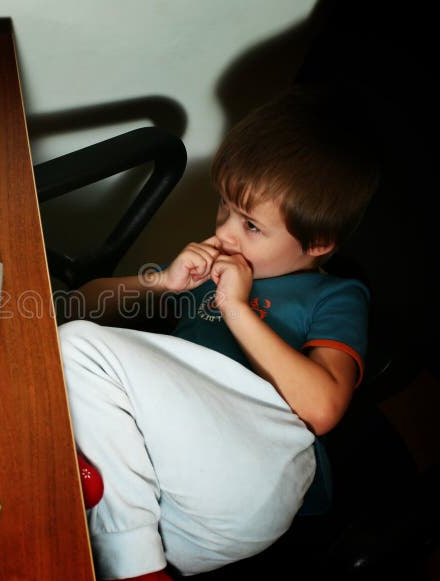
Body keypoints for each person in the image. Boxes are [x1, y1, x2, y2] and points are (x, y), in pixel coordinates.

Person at [58, 85, 381, 580]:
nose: (226, 233)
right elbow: (80, 305)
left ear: (318, 242)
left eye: (251, 225)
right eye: (224, 208)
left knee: (76, 348)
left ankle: (133, 564)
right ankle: (128, 552)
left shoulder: (335, 296)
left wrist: (235, 307)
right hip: (177, 509)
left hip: (254, 470)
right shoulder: (211, 270)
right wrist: (160, 282)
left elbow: (321, 409)